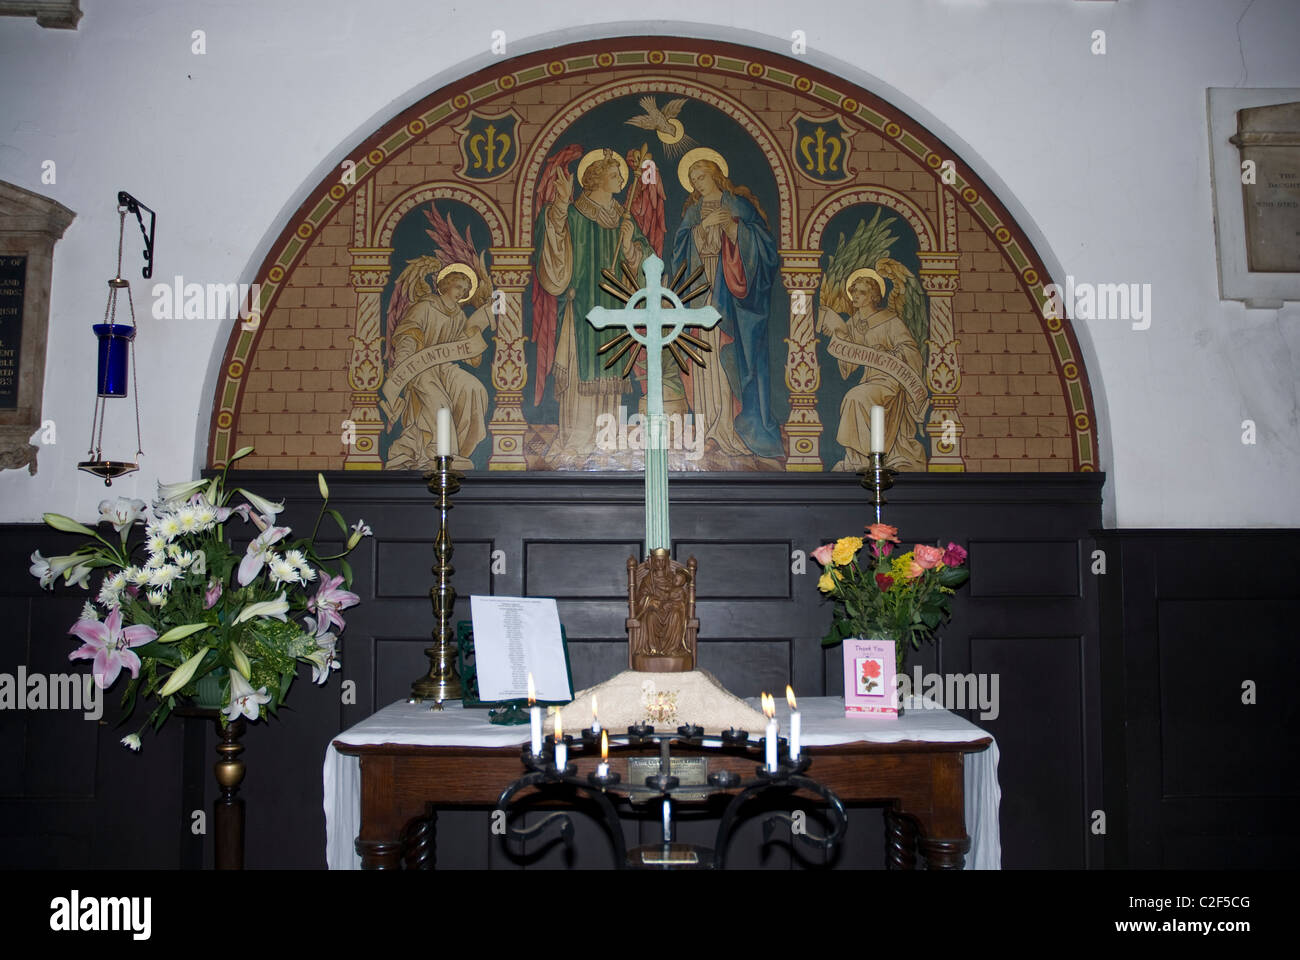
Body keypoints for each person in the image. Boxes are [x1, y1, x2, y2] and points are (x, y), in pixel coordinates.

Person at [534, 151, 651, 466]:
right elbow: (554, 244)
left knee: (609, 381)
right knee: (579, 377)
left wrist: (628, 246)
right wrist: (560, 204)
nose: (621, 180)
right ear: (597, 177)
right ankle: (576, 439)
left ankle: (604, 441)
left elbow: (650, 265)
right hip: (582, 305)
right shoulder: (574, 214)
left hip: (616, 307)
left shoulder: (624, 218)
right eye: (615, 174)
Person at [670, 154, 783, 462]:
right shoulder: (693, 212)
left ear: (716, 175)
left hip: (731, 300)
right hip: (699, 292)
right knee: (703, 361)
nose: (697, 183)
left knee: (726, 360)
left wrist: (734, 232)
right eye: (693, 180)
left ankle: (730, 430)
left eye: (701, 177)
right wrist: (700, 229)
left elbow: (765, 252)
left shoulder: (738, 206)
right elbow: (678, 252)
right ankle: (708, 430)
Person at [384, 265, 490, 469]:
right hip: (419, 367)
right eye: (458, 286)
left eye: (465, 290)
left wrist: (474, 336)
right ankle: (439, 453)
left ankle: (460, 450)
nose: (461, 292)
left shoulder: (458, 316)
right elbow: (407, 336)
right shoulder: (425, 307)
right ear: (445, 285)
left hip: (444, 368)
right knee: (441, 404)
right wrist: (403, 368)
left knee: (473, 389)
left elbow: (462, 350)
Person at [822, 273, 927, 471]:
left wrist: (889, 353)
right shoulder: (853, 323)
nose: (855, 297)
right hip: (870, 381)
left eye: (861, 293)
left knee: (856, 397)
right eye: (853, 292)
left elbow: (911, 350)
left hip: (892, 382)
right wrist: (838, 334)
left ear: (873, 296)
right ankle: (858, 459)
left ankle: (868, 457)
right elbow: (848, 366)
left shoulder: (890, 321)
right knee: (853, 398)